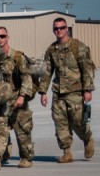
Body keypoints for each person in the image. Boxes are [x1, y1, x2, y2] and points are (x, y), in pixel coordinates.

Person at [38, 18, 95, 163]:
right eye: (56, 29)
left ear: (67, 29)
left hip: (75, 91)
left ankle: (87, 138)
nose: (59, 31)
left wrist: (87, 90)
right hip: (58, 92)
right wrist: (43, 92)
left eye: (62, 28)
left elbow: (87, 69)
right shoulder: (51, 50)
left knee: (77, 121)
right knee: (60, 123)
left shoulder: (78, 46)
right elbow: (47, 72)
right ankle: (67, 152)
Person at [0, 27, 35, 168]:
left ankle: (26, 157)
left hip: (16, 99)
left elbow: (26, 78)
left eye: (2, 36)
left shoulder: (17, 57)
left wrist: (22, 96)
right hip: (0, 102)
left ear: (7, 37)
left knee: (22, 131)